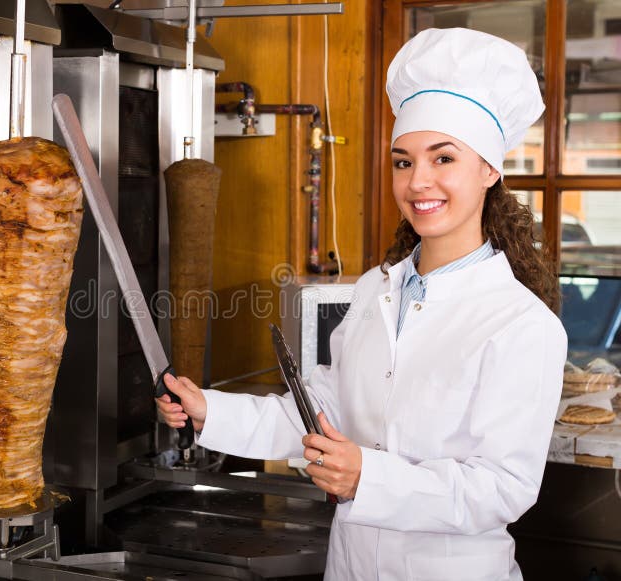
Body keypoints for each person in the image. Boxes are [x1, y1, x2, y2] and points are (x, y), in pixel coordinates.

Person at [156, 27, 567, 581]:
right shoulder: (377, 291)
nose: (418, 181)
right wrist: (211, 410)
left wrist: (365, 479)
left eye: (443, 158)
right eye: (403, 161)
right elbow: (319, 413)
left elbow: (501, 489)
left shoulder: (522, 324)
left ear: (490, 170)